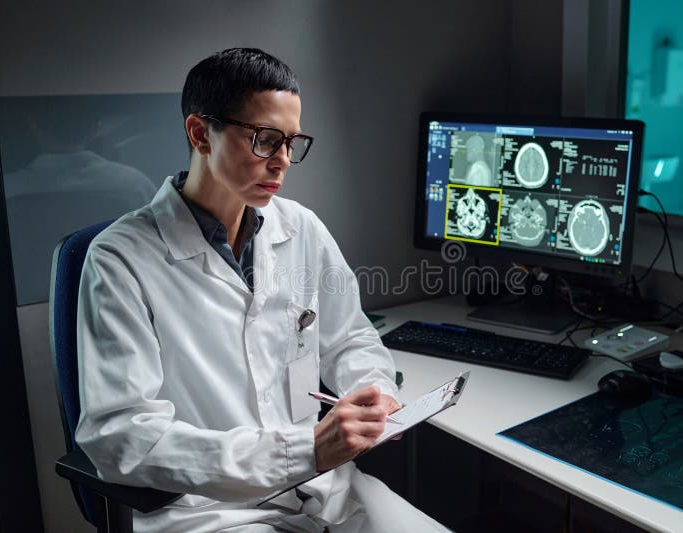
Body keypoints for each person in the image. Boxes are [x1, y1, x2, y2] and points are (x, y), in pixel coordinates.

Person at [75, 48, 448, 533]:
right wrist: (304, 449)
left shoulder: (301, 228)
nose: (284, 162)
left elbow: (350, 338)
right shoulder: (121, 258)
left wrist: (372, 393)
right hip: (210, 509)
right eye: (266, 141)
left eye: (292, 143)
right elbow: (120, 436)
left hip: (324, 489)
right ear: (199, 133)